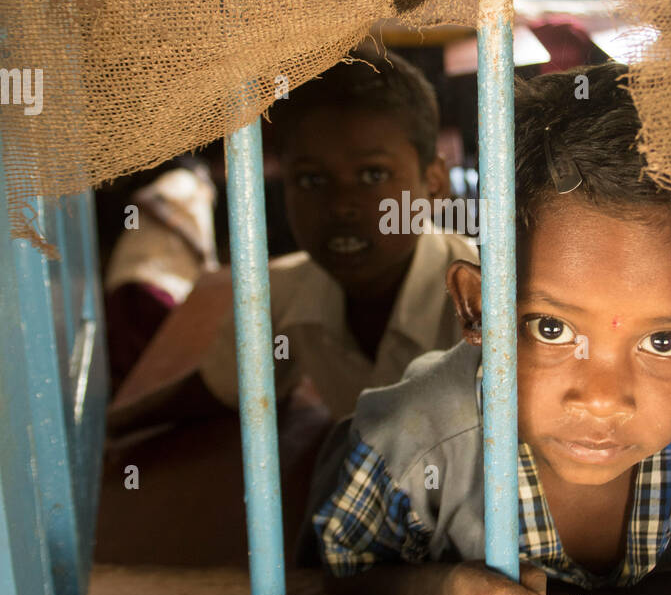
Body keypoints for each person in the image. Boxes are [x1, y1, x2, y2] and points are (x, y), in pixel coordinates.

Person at [309, 62, 671, 595]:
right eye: (552, 329)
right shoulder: (413, 439)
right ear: (476, 308)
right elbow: (342, 568)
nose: (601, 398)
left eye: (664, 340)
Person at [109, 45, 479, 432]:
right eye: (311, 180)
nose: (341, 207)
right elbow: (217, 390)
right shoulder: (283, 296)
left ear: (435, 184)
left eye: (373, 175)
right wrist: (114, 429)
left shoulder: (486, 304)